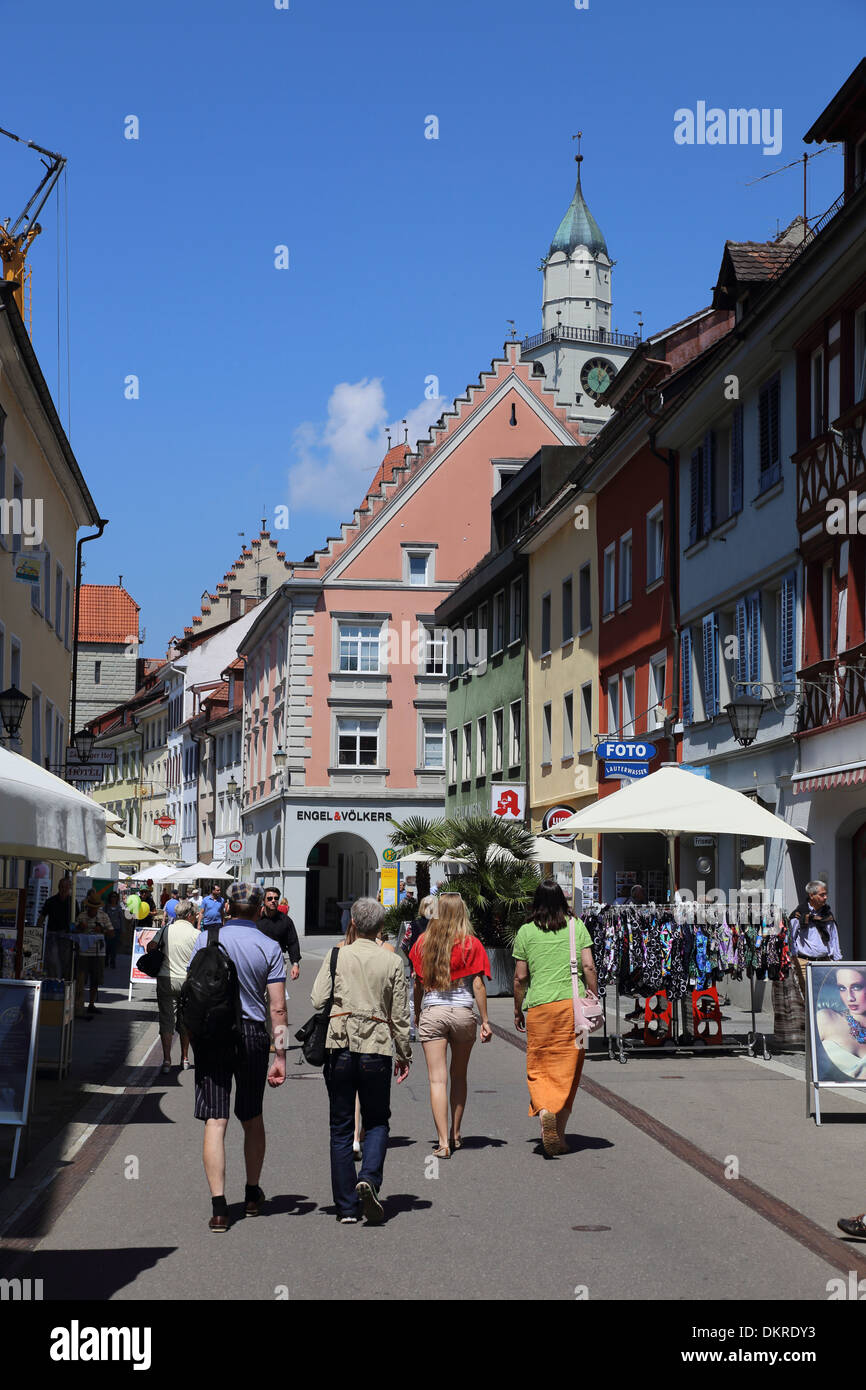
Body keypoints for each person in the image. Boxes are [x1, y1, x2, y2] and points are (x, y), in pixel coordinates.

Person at [187, 882, 287, 1233]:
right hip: (252, 1035)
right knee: (251, 1115)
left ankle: (218, 1208)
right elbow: (277, 1007)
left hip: (213, 1034)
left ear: (227, 909)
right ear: (260, 909)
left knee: (216, 1120)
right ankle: (250, 1193)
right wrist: (282, 1053)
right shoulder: (269, 946)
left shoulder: (206, 939)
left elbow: (194, 989)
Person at [311, 897, 410, 1225]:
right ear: (381, 927)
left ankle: (346, 1208)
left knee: (340, 1127)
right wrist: (404, 1053)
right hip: (377, 1047)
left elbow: (316, 999)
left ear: (352, 923)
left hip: (339, 1045)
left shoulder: (337, 955)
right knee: (377, 1120)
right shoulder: (392, 962)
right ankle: (369, 1178)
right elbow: (399, 1014)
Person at [512, 879, 599, 1157]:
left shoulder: (525, 932)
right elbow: (588, 966)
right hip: (572, 1011)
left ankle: (545, 1109)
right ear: (562, 900)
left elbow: (520, 977)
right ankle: (559, 1135)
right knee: (570, 1069)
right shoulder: (577, 927)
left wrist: (518, 1009)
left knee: (538, 1065)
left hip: (539, 1010)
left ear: (535, 903)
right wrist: (593, 996)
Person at [409, 893, 492, 1158]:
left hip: (433, 1010)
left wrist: (418, 1013)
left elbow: (418, 983)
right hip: (462, 1011)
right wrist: (485, 1021)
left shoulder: (424, 942)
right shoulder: (472, 944)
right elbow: (478, 984)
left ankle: (443, 1142)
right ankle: (456, 1133)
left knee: (437, 1079)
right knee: (459, 1075)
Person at [154, 898, 200, 1073]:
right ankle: (185, 1058)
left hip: (166, 978)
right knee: (185, 1021)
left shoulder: (166, 929)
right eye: (195, 914)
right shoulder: (196, 934)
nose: (196, 917)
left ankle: (166, 1060)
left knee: (167, 1020)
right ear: (189, 915)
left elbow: (151, 946)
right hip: (188, 981)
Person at [789, 880, 842, 1001]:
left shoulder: (827, 915)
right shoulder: (799, 915)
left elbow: (834, 938)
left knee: (827, 997)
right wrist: (793, 959)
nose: (825, 897)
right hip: (804, 962)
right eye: (822, 895)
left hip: (825, 963)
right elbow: (792, 938)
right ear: (811, 895)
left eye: (826, 894)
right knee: (809, 998)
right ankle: (808, 1020)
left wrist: (837, 961)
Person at [817, 966, 866, 1081]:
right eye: (842, 988)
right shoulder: (826, 1018)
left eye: (856, 987)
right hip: (827, 1091)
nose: (849, 997)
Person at [74, 891, 112, 1018]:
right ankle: (80, 1004)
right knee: (80, 979)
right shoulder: (82, 916)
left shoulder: (104, 916)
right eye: (91, 907)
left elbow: (112, 933)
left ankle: (91, 1004)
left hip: (98, 953)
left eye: (94, 907)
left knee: (95, 979)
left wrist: (102, 930)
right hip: (83, 953)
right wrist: (80, 927)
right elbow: (74, 931)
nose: (92, 910)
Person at [258, 888, 301, 982]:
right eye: (269, 898)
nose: (273, 901)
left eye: (276, 898)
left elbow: (293, 943)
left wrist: (295, 964)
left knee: (277, 996)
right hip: (258, 962)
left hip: (278, 963)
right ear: (263, 901)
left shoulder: (286, 921)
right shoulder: (256, 920)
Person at [104, 890, 123, 969]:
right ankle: (106, 961)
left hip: (116, 929)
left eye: (115, 897)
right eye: (112, 897)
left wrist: (122, 929)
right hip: (108, 929)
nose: (113, 898)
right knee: (107, 946)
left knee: (114, 946)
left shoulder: (119, 908)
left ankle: (113, 961)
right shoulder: (106, 907)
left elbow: (121, 918)